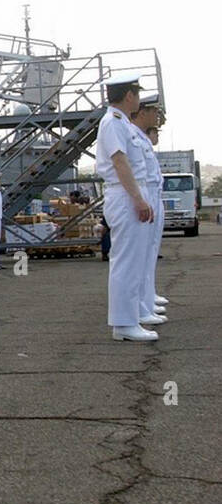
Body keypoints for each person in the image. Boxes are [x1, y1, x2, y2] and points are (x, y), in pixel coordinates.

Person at [93, 74, 157, 341]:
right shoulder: (113, 123)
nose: (139, 100)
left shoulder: (119, 123)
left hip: (129, 192)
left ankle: (131, 318)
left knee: (133, 260)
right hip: (124, 194)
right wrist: (139, 199)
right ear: (129, 95)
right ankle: (123, 324)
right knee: (126, 262)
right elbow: (120, 162)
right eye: (137, 95)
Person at [130, 93, 167, 325]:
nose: (157, 116)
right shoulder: (131, 133)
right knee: (139, 255)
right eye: (154, 111)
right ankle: (139, 307)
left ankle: (146, 299)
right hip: (142, 193)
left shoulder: (140, 138)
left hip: (152, 192)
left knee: (150, 251)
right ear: (143, 111)